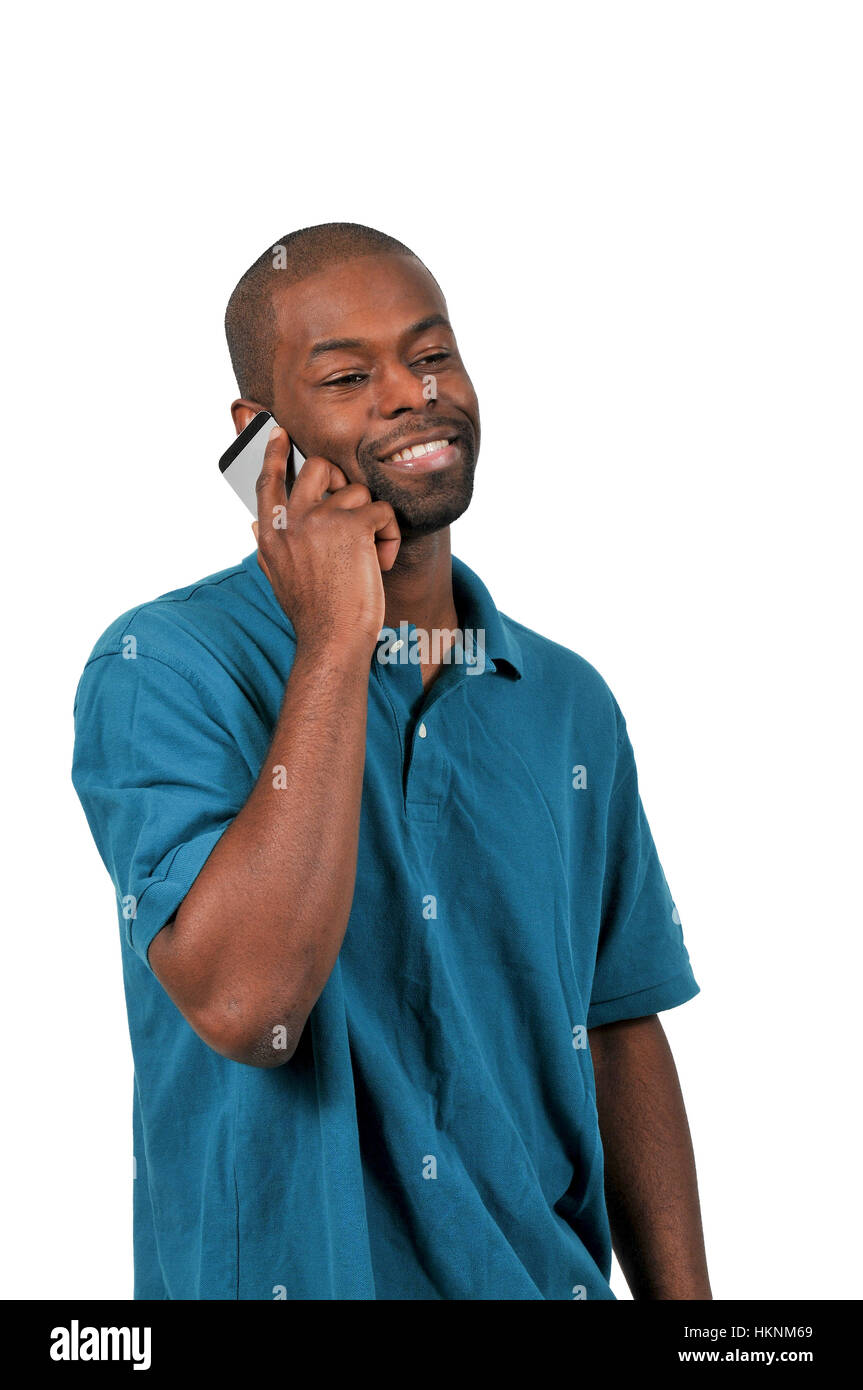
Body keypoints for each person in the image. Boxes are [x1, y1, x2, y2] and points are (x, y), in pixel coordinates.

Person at [71, 222, 711, 1301]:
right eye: (346, 375)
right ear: (259, 435)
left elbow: (617, 1027)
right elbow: (247, 1006)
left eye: (430, 354)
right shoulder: (163, 668)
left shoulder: (566, 703)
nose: (412, 394)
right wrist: (334, 640)